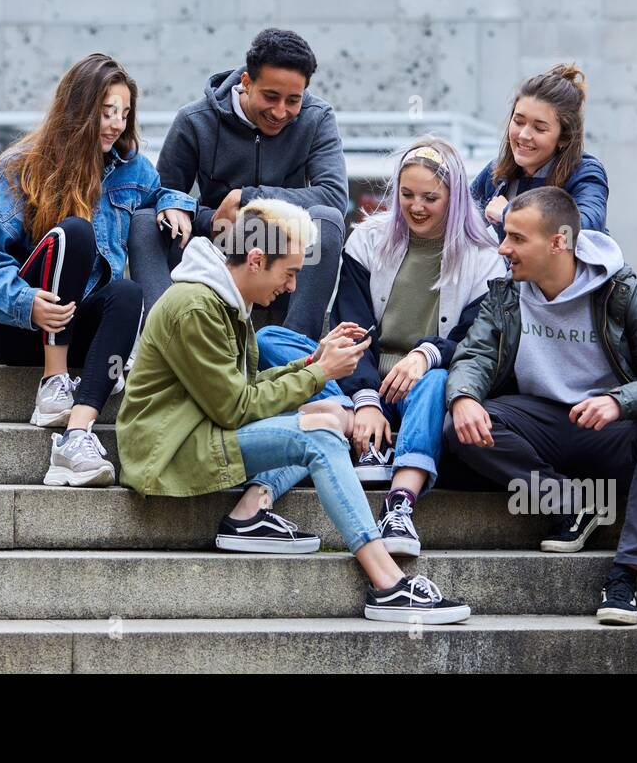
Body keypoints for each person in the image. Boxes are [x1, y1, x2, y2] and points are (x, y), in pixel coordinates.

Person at [117, 199, 471, 624]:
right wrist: (319, 372)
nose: (292, 287)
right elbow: (235, 407)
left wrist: (312, 365)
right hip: (167, 451)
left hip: (197, 431)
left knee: (323, 413)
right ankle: (388, 582)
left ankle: (248, 517)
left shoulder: (223, 297)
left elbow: (241, 390)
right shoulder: (196, 306)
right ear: (256, 259)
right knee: (319, 434)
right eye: (290, 272)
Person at [444, 186, 637, 626]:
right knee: (460, 426)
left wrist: (619, 401)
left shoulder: (620, 291)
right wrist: (464, 397)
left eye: (517, 239)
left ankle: (624, 577)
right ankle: (571, 503)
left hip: (609, 432)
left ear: (559, 242)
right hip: (539, 425)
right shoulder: (507, 293)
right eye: (505, 236)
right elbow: (474, 357)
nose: (504, 248)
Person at [254, 137, 506, 558]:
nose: (416, 206)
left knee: (438, 378)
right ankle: (360, 424)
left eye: (431, 197)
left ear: (455, 197)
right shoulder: (368, 239)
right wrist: (367, 398)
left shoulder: (483, 257)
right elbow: (351, 330)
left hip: (423, 386)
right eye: (406, 195)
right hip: (360, 380)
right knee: (270, 340)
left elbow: (475, 338)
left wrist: (424, 354)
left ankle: (400, 502)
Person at [0, 53, 196, 487]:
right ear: (79, 109)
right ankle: (53, 383)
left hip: (78, 330)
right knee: (76, 232)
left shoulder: (131, 171)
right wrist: (25, 301)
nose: (115, 123)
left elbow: (164, 191)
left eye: (124, 113)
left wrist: (173, 206)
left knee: (128, 294)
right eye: (106, 111)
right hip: (16, 326)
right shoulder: (21, 166)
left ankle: (76, 437)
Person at [129, 28, 347, 340]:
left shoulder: (318, 118)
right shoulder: (194, 120)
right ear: (246, 82)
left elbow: (333, 196)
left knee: (328, 220)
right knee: (146, 221)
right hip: (216, 248)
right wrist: (195, 213)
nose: (280, 111)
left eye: (293, 100)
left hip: (282, 256)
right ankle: (164, 341)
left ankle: (295, 351)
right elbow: (163, 194)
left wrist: (247, 198)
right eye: (270, 96)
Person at [471, 63, 609, 241]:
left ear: (564, 137)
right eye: (518, 121)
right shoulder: (495, 171)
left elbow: (581, 231)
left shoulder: (585, 173)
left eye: (539, 128)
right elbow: (459, 217)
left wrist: (510, 214)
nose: (524, 135)